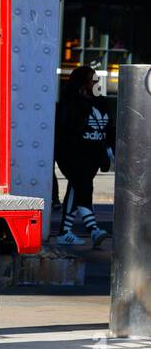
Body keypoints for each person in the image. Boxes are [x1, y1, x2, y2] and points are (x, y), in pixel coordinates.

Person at [55, 65, 114, 247]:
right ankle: (93, 228)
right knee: (83, 188)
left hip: (93, 157)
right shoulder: (69, 104)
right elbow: (63, 132)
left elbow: (109, 128)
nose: (96, 82)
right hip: (75, 156)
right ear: (83, 83)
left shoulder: (101, 103)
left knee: (76, 188)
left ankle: (65, 232)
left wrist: (108, 150)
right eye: (92, 79)